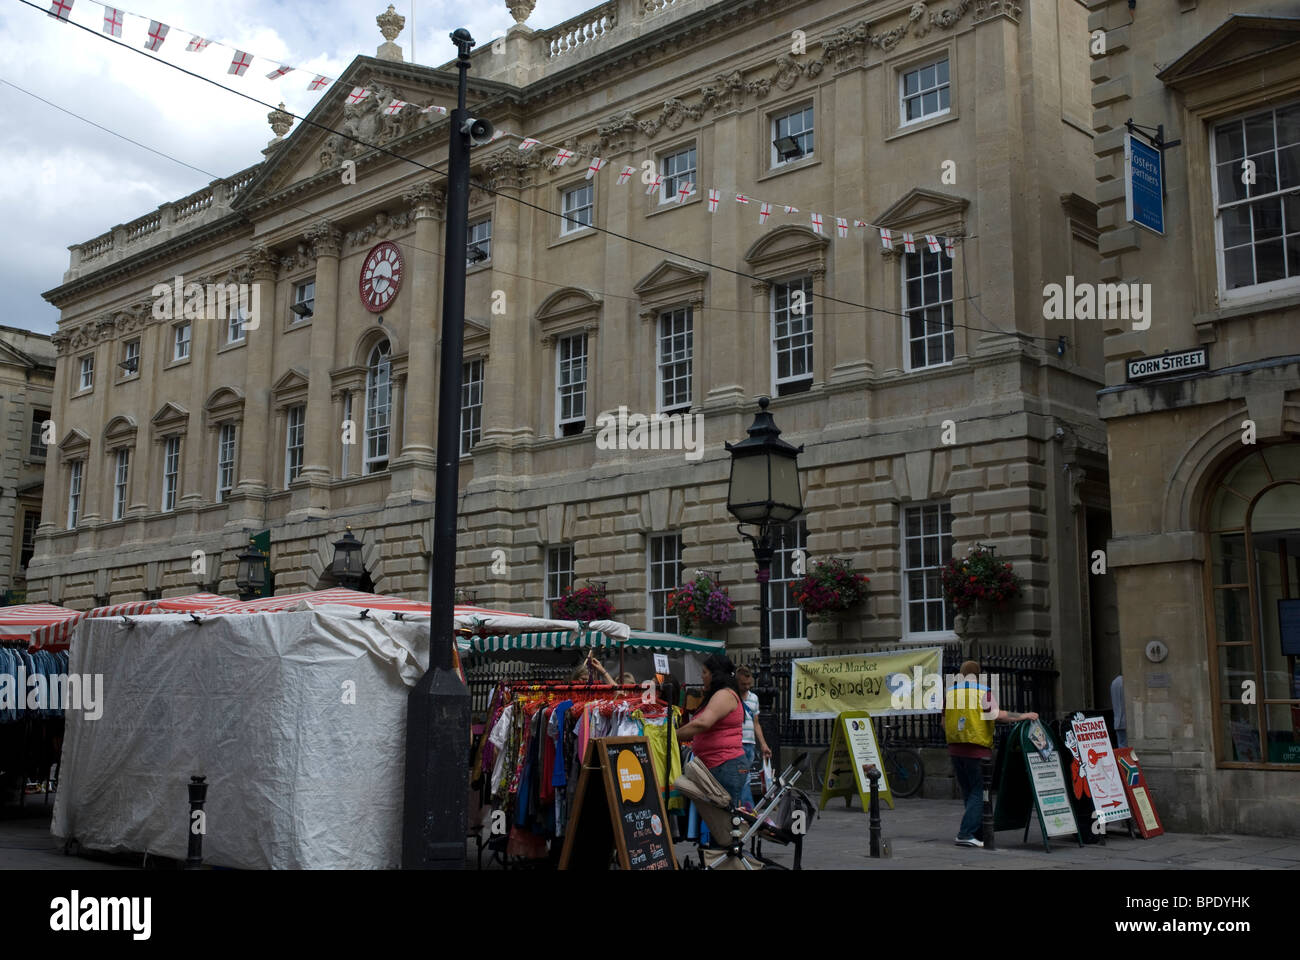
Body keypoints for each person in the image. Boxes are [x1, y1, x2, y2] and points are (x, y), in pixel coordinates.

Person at [944, 660, 1038, 848]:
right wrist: (1024, 715)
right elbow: (998, 715)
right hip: (977, 749)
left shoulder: (950, 693)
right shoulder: (981, 692)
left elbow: (943, 721)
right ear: (978, 674)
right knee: (980, 792)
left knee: (969, 792)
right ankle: (966, 833)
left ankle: (976, 832)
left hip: (955, 748)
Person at [675, 654, 747, 808]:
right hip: (719, 765)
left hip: (725, 765)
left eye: (704, 672)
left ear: (716, 674)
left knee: (725, 823)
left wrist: (672, 735)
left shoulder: (724, 695)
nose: (702, 676)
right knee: (720, 822)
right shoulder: (720, 694)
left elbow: (702, 723)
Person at [735, 665, 772, 807]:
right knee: (744, 778)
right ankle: (748, 808)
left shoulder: (754, 698)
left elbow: (756, 723)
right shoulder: (733, 697)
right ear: (737, 682)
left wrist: (763, 744)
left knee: (745, 777)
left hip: (749, 744)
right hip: (737, 743)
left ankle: (743, 808)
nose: (747, 687)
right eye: (743, 684)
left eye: (749, 684)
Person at [1110, 674, 1126, 748]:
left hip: (1117, 720)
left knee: (1121, 745)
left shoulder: (1114, 682)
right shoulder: (1126, 682)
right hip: (1126, 720)